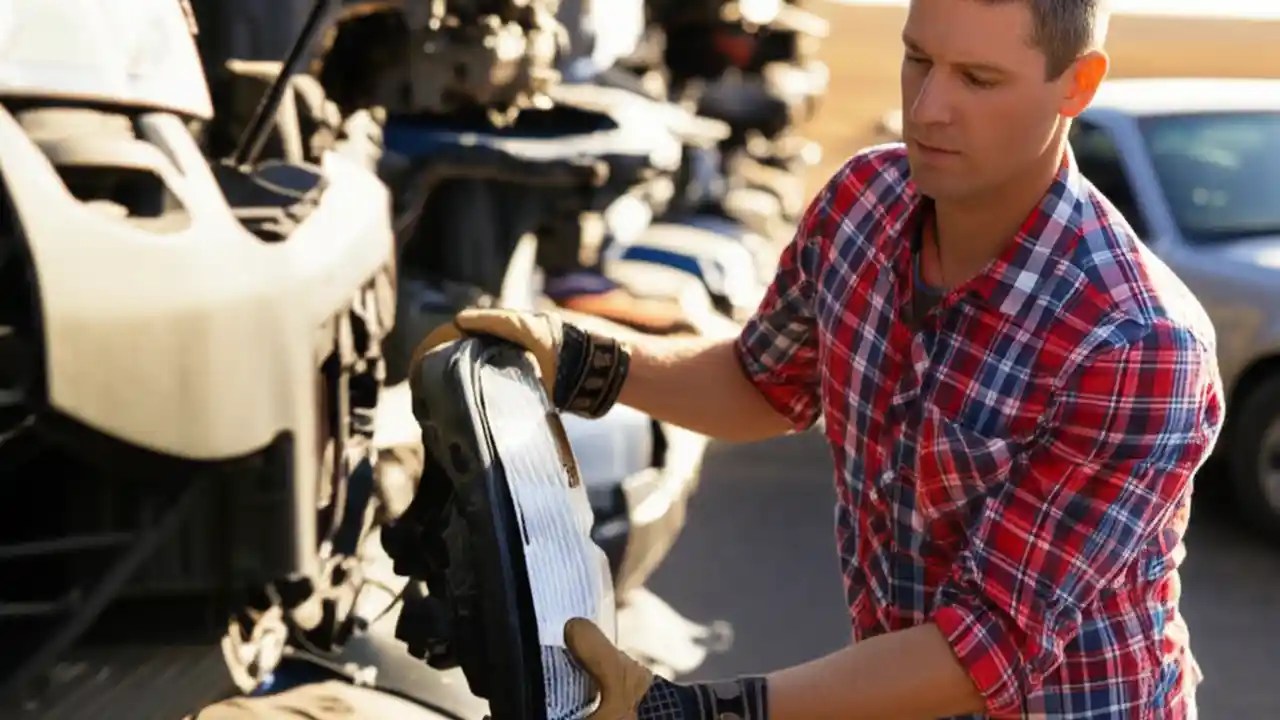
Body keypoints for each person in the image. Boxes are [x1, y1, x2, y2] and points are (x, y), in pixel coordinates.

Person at [416, 0, 1225, 718]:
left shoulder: (1137, 344)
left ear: (1076, 86)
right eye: (918, 59)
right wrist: (584, 358)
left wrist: (690, 712)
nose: (928, 108)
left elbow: (985, 651)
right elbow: (763, 384)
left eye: (979, 80)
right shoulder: (863, 202)